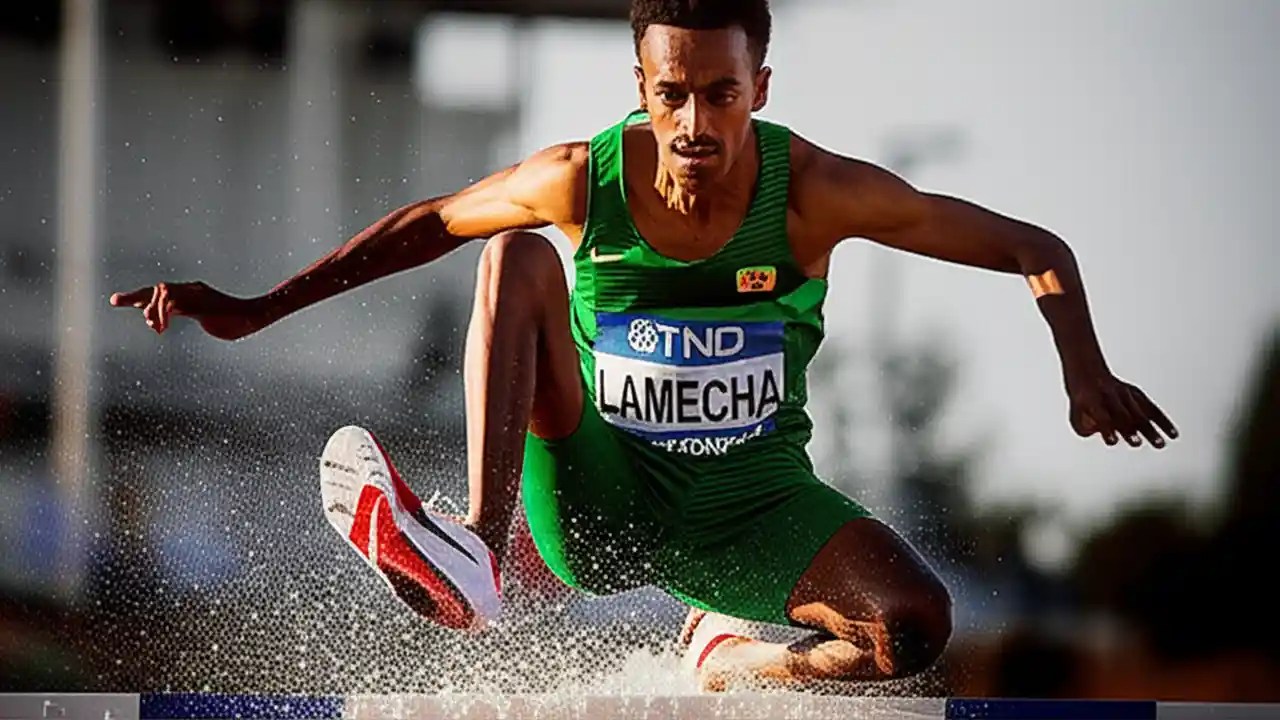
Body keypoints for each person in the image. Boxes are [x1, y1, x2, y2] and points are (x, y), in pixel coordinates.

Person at [110, 0, 1178, 692]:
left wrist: (1081, 370)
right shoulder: (584, 177)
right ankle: (476, 545)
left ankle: (729, 659)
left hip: (753, 506)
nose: (695, 126)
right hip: (596, 491)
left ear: (758, 87)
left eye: (719, 93)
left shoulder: (817, 193)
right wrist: (257, 307)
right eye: (671, 95)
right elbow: (431, 223)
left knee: (912, 625)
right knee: (515, 255)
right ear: (642, 89)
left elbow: (1034, 248)